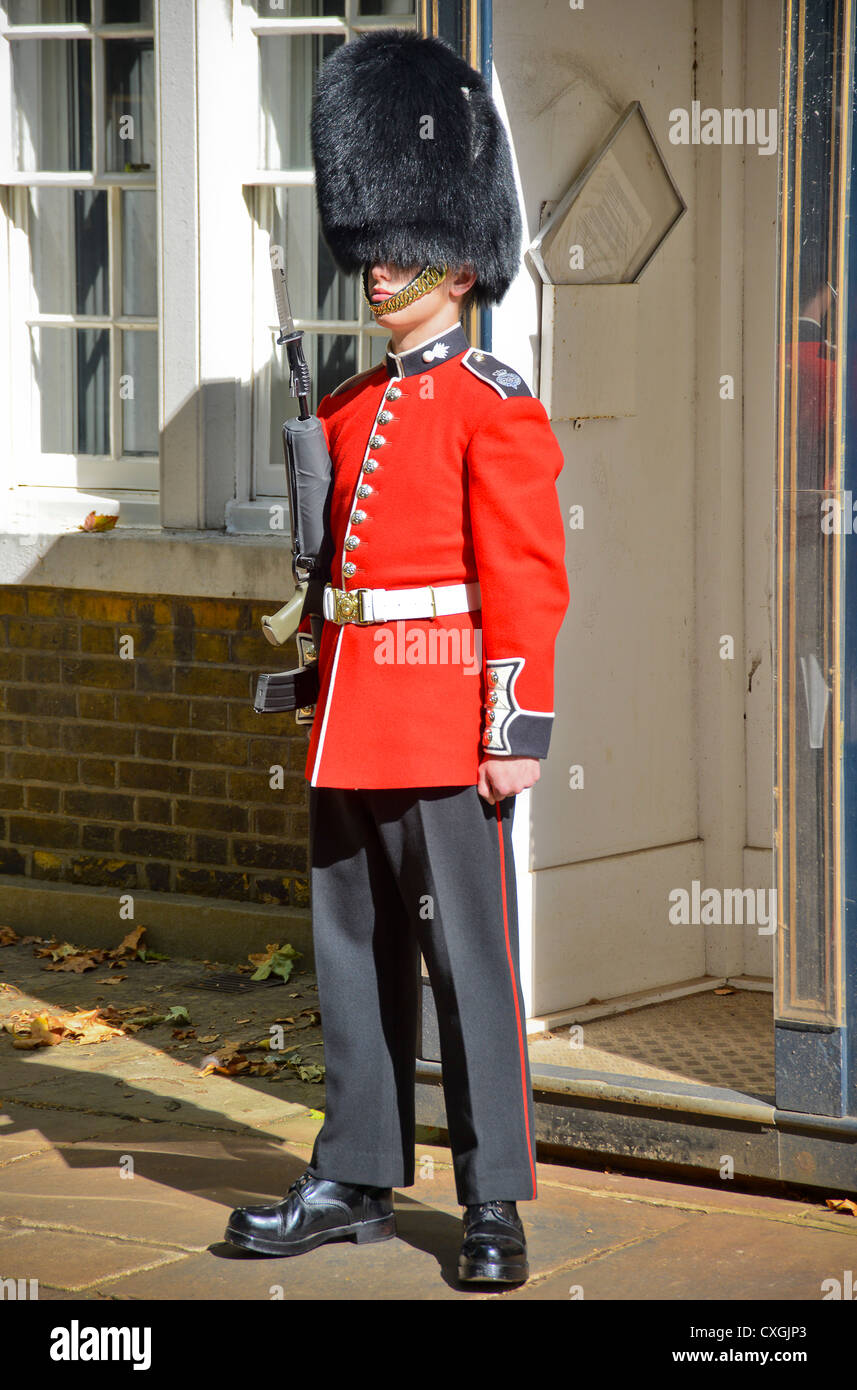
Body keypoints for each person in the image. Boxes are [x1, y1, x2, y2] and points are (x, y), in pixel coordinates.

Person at [225, 29, 569, 1288]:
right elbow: (337, 575)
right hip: (352, 718)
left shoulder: (495, 402)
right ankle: (355, 1171)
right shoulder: (351, 407)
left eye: (400, 251)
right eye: (367, 247)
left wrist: (511, 726)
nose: (375, 273)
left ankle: (491, 1202)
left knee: (469, 964)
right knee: (351, 957)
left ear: (463, 261)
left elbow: (527, 580)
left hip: (442, 723)